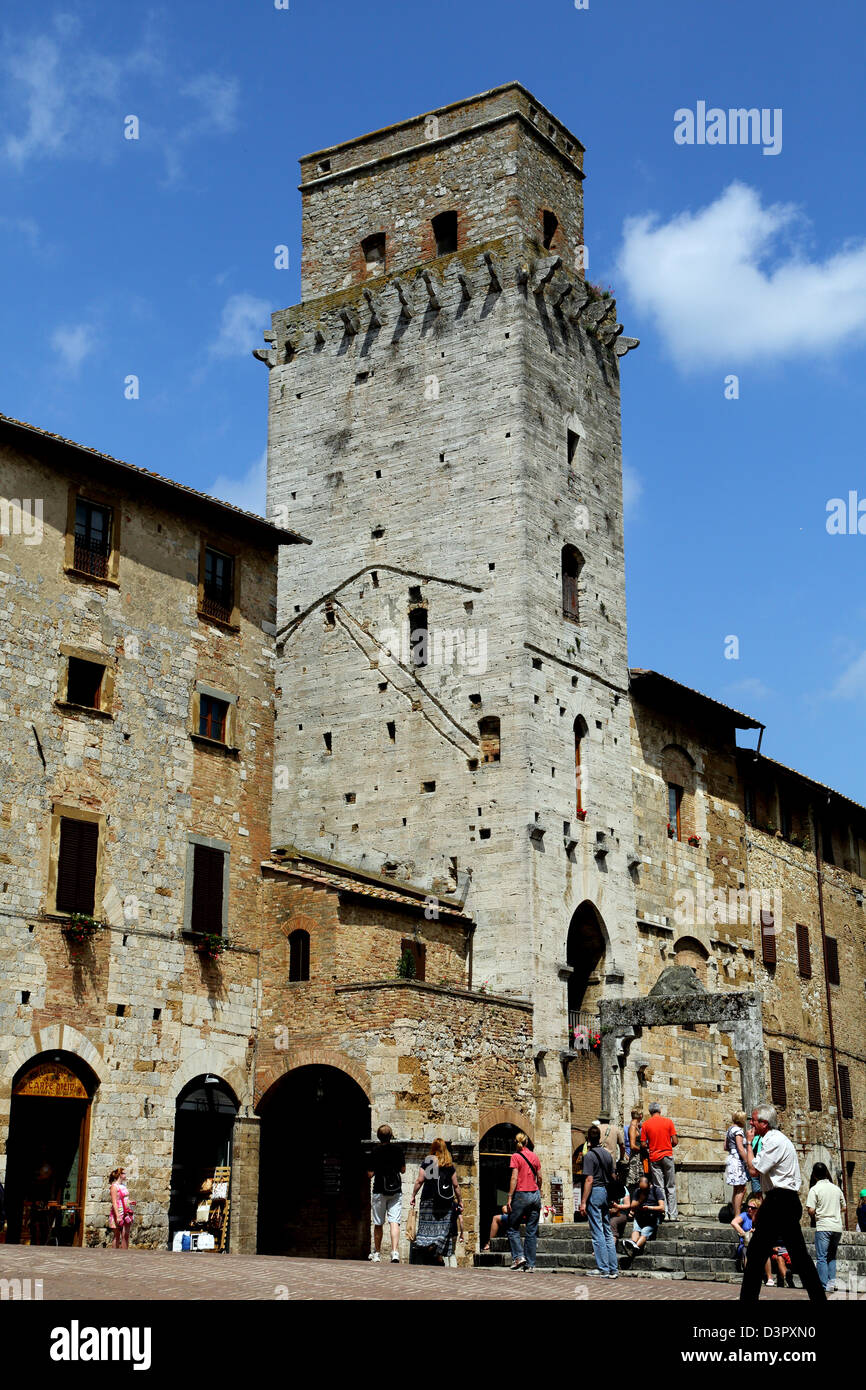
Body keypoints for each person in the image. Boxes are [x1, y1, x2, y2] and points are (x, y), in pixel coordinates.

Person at [739, 1103, 826, 1302]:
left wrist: (748, 1144)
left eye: (753, 1120)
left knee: (757, 1253)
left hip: (780, 1201)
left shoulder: (774, 1141)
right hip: (782, 1201)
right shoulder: (772, 1140)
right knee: (798, 1256)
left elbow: (754, 1170)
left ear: (764, 1123)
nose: (750, 1123)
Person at [409, 1138, 461, 1265]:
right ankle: (437, 1250)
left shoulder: (428, 1161)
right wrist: (460, 1201)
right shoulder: (449, 1165)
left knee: (426, 1227)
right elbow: (456, 1185)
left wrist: (413, 1195)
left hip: (428, 1200)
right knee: (443, 1229)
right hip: (445, 1202)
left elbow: (419, 1180)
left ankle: (427, 1248)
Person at [579, 1124, 618, 1279]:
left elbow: (589, 1180)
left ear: (589, 1139)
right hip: (605, 1192)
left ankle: (603, 1268)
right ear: (600, 1138)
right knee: (607, 1230)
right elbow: (613, 1176)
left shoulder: (589, 1156)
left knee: (597, 1232)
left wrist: (583, 1202)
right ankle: (613, 1268)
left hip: (595, 1192)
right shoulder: (607, 1155)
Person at [366, 1123, 406, 1263]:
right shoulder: (398, 1150)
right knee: (394, 1221)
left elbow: (370, 1174)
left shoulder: (375, 1151)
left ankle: (377, 1253)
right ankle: (394, 1252)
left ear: (378, 1136)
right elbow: (403, 1170)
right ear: (391, 1136)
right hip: (395, 1190)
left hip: (379, 1190)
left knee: (378, 1223)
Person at [806, 1162, 846, 1292]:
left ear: (814, 1175)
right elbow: (844, 1207)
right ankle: (831, 1283)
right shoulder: (836, 1189)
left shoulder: (815, 1189)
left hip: (823, 1226)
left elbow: (811, 1210)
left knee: (822, 1257)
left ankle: (823, 1285)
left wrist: (818, 1213)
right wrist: (834, 1211)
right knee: (832, 1256)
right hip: (837, 1227)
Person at [505, 1131, 542, 1271]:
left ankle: (518, 1257)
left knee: (512, 1227)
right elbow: (540, 1177)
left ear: (516, 1143)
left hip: (521, 1194)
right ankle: (530, 1264)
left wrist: (509, 1197)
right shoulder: (534, 1156)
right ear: (527, 1143)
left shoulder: (515, 1156)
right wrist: (539, 1189)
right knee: (531, 1231)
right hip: (535, 1195)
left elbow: (514, 1178)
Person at [641, 1101, 678, 1220]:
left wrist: (651, 1146)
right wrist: (667, 1145)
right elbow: (675, 1141)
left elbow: (642, 1143)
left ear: (650, 1112)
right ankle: (673, 1214)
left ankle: (664, 1213)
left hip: (654, 1157)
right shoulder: (668, 1122)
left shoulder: (645, 1125)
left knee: (659, 1186)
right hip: (667, 1155)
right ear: (659, 1110)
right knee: (670, 1186)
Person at [621, 1174, 665, 1256]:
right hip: (640, 1217)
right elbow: (632, 1205)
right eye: (642, 1189)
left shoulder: (656, 1190)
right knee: (636, 1229)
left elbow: (662, 1208)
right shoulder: (638, 1191)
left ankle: (635, 1247)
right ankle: (633, 1243)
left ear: (649, 1184)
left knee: (644, 1232)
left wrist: (649, 1208)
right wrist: (640, 1199)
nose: (643, 1190)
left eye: (645, 1189)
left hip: (652, 1218)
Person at [724, 1110, 750, 1217]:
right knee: (741, 1189)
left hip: (731, 1159)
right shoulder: (738, 1131)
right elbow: (740, 1148)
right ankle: (737, 1215)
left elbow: (725, 1147)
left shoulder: (729, 1130)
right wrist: (748, 1161)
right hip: (738, 1161)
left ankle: (735, 1213)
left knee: (736, 1188)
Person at [108, 1166, 135, 1250]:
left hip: (126, 1211)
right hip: (118, 1211)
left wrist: (130, 1202)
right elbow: (114, 1202)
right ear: (120, 1174)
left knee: (125, 1234)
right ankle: (114, 1253)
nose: (126, 1175)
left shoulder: (123, 1185)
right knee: (117, 1235)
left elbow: (124, 1198)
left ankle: (124, 1253)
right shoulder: (114, 1187)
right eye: (124, 1173)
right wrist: (117, 1215)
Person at [627, 1108, 644, 1185]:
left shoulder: (637, 1125)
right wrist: (643, 1149)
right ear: (640, 1115)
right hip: (635, 1158)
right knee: (634, 1182)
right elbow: (632, 1145)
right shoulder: (633, 1127)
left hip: (638, 1157)